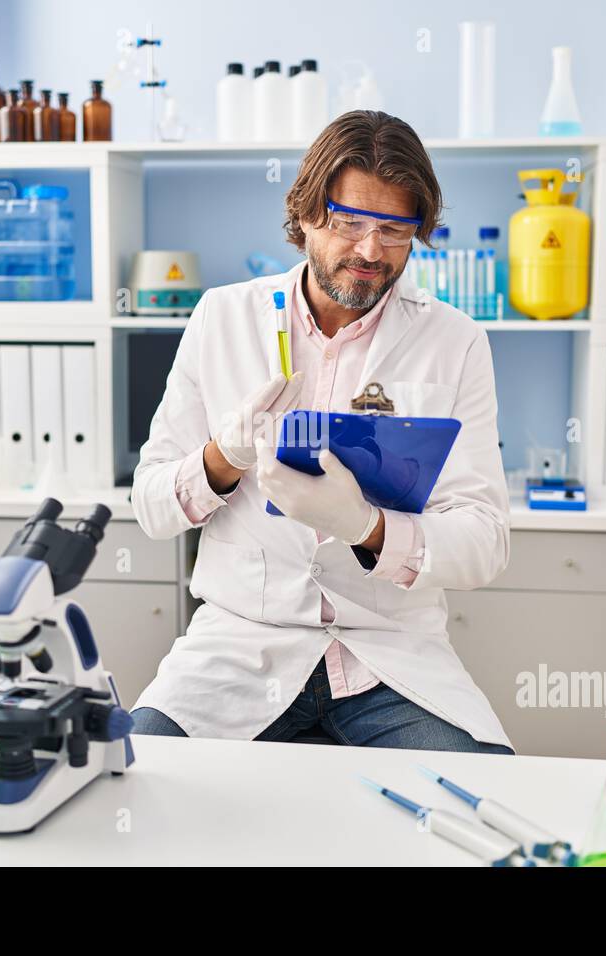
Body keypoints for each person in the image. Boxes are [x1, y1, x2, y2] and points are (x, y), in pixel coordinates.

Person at [130, 110, 512, 753]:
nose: (371, 251)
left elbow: (484, 542)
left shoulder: (455, 342)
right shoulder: (222, 317)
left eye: (395, 231)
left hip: (392, 660)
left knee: (483, 804)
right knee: (140, 786)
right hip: (241, 647)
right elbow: (149, 507)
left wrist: (368, 528)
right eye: (350, 222)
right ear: (306, 213)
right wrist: (224, 458)